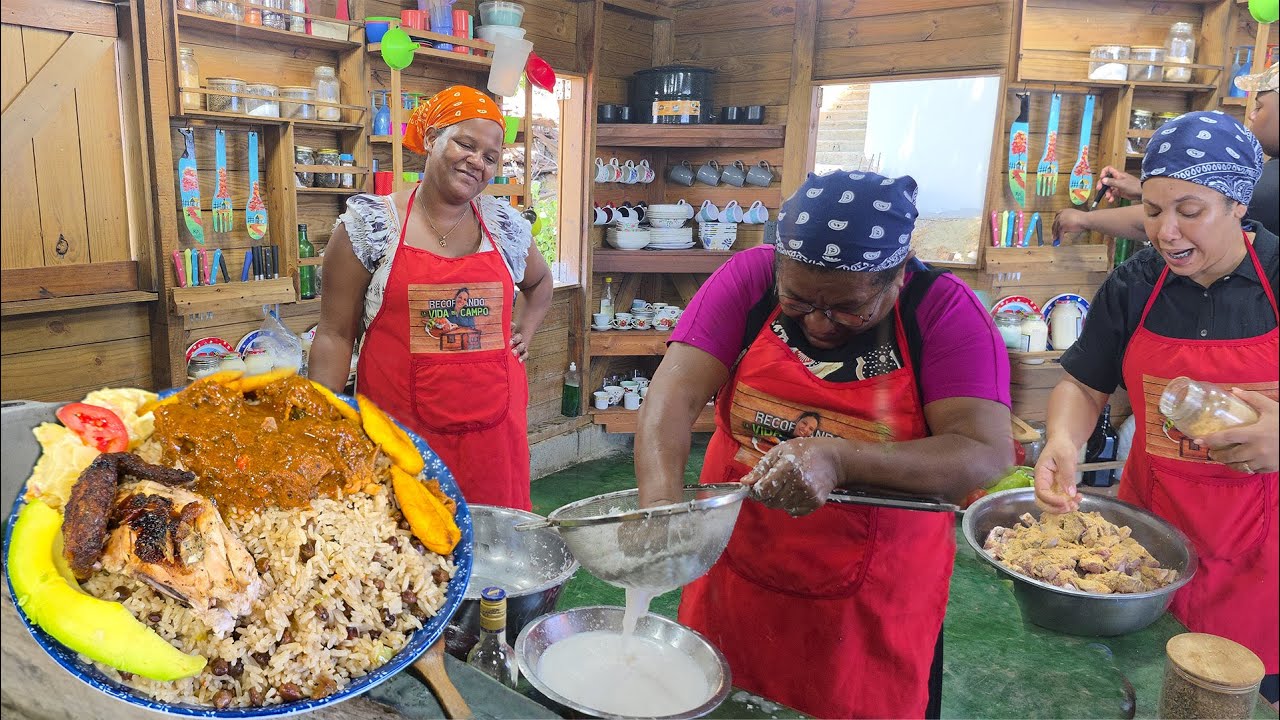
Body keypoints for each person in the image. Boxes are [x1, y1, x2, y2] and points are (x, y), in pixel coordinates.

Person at [634, 171, 1013, 718]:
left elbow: (984, 452)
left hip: (871, 595)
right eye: (798, 300)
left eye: (848, 308)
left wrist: (838, 456)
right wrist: (660, 506)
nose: (819, 323)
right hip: (738, 563)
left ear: (897, 278)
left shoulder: (943, 312)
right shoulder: (749, 277)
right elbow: (670, 398)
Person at [1033, 111, 1279, 703]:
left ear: (1239, 204)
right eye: (1151, 210)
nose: (1166, 232)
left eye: (1189, 212)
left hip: (1265, 558)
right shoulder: (1136, 282)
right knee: (1138, 689)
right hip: (1148, 541)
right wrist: (1063, 442)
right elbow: (1086, 384)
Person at [310, 86, 553, 510]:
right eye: (465, 143)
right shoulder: (371, 225)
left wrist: (525, 330)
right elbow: (333, 334)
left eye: (491, 157)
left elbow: (540, 283)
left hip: (494, 436)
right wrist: (319, 427)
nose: (477, 161)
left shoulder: (505, 226)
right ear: (430, 139)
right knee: (406, 552)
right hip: (401, 434)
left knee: (494, 547)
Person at [1054, 63, 1279, 240]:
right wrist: (1146, 191)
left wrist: (1083, 219)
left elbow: (1166, 226)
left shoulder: (1271, 185)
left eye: (1259, 107)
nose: (1251, 116)